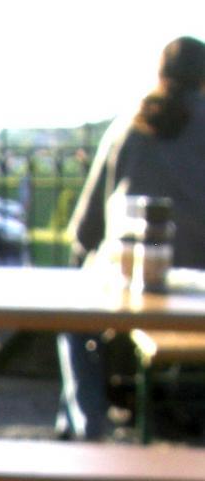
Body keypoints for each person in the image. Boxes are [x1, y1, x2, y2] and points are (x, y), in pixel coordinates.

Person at [56, 35, 205, 439]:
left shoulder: (131, 125)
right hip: (198, 288)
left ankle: (87, 420)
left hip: (127, 280)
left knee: (70, 320)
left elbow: (86, 228)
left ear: (160, 75)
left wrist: (83, 256)